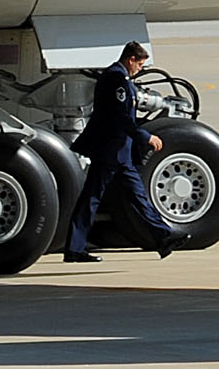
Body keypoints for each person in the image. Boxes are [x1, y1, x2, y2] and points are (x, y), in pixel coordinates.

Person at [63, 41, 180, 263]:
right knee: (93, 199)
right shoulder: (116, 78)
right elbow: (121, 118)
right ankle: (75, 249)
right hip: (111, 150)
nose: (140, 70)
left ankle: (163, 238)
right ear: (131, 60)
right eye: (140, 65)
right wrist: (146, 136)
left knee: (136, 197)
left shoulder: (120, 77)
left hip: (120, 152)